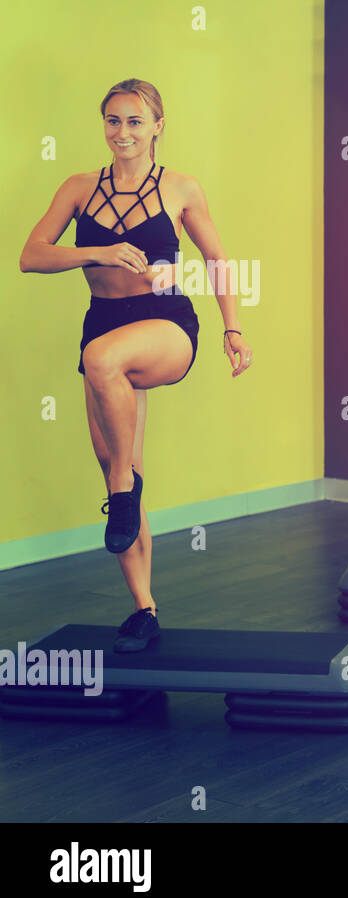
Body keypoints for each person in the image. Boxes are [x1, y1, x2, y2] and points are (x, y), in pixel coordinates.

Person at [18, 79, 253, 652]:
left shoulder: (180, 188)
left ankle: (125, 487)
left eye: (134, 121)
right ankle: (144, 607)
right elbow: (31, 255)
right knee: (112, 460)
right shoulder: (78, 188)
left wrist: (233, 328)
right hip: (102, 318)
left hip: (166, 322)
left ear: (157, 126)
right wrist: (96, 251)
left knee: (101, 368)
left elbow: (218, 260)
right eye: (113, 121)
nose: (122, 132)